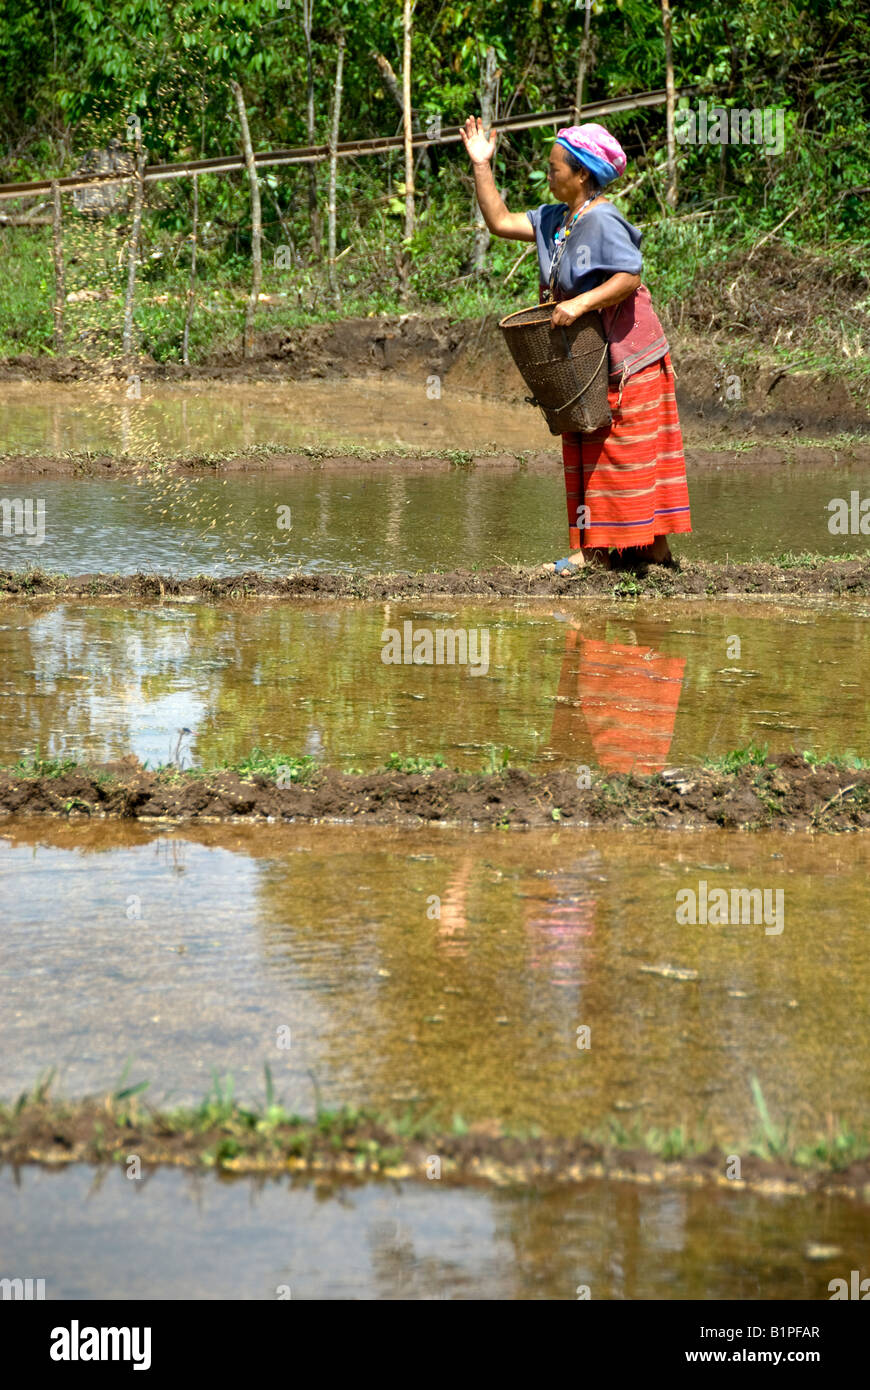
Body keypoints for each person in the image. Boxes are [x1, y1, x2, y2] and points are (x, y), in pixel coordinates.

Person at [460, 115, 692, 572]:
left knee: (623, 451)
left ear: (582, 174)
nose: (547, 175)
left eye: (554, 168)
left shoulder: (602, 218)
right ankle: (611, 550)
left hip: (629, 357)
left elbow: (629, 277)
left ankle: (627, 552)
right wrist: (481, 164)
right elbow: (500, 222)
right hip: (587, 360)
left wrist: (581, 303)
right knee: (590, 445)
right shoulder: (555, 219)